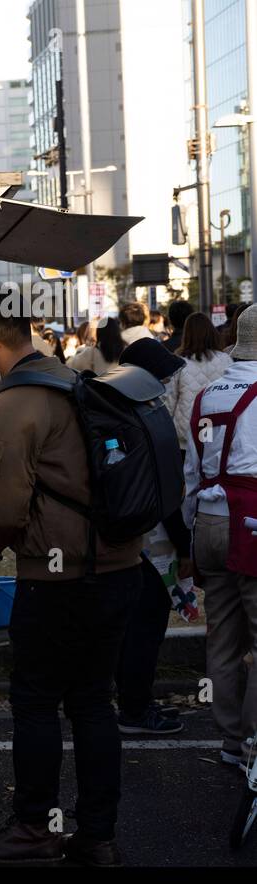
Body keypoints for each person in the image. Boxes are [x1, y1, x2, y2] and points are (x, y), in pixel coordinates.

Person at [0, 285, 143, 867]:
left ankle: (33, 829)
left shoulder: (11, 404)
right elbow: (62, 485)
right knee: (92, 703)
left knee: (35, 702)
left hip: (57, 582)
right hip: (116, 570)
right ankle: (96, 838)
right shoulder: (73, 383)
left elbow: (9, 515)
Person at [184, 303, 257, 768]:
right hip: (251, 521)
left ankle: (231, 738)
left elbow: (191, 471)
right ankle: (253, 741)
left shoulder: (210, 391)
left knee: (224, 636)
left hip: (209, 521)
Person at [115, 339, 189, 736]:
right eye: (161, 374)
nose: (166, 380)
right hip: (151, 544)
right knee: (145, 630)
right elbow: (167, 497)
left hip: (127, 538)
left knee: (132, 628)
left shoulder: (121, 410)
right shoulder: (147, 416)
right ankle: (135, 711)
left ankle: (133, 702)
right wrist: (186, 546)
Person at [167, 312, 232, 452]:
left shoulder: (179, 362)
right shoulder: (225, 360)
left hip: (186, 429)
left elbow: (170, 398)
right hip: (217, 424)